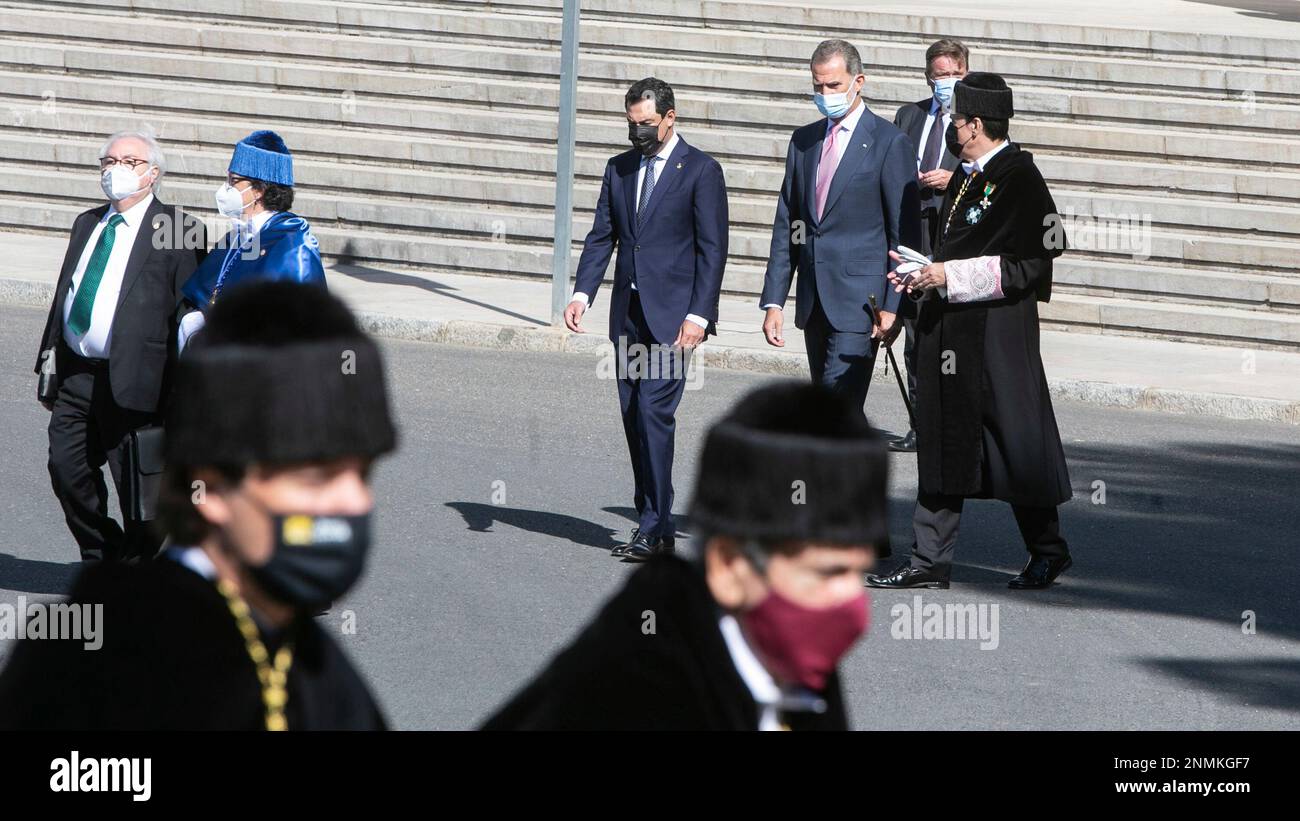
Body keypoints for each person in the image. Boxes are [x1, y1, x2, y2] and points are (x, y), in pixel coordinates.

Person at [0, 282, 396, 729]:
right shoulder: (93, 664)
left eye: (362, 474)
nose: (354, 501)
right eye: (316, 478)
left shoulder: (322, 669)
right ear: (213, 486)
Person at [481, 382, 887, 731]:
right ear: (729, 566)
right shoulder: (631, 692)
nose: (853, 603)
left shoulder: (792, 658)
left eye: (859, 572)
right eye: (828, 572)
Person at [868, 73, 1074, 591]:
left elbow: (1035, 261)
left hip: (998, 338)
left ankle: (1048, 551)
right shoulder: (964, 175)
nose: (951, 128)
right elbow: (950, 251)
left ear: (976, 124)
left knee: (1015, 445)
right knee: (943, 440)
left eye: (957, 120)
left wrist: (950, 276)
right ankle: (928, 560)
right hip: (949, 333)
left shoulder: (1019, 176)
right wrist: (921, 275)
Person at [563, 77, 729, 562]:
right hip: (630, 315)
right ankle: (654, 520)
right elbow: (603, 236)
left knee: (654, 413)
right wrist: (582, 294)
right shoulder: (619, 169)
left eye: (647, 124)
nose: (638, 132)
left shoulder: (700, 170)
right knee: (633, 415)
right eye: (631, 123)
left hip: (675, 318)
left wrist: (699, 315)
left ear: (670, 118)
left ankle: (653, 526)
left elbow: (712, 249)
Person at [35, 130, 206, 562]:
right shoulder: (88, 223)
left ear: (153, 173)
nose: (116, 170)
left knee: (140, 487)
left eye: (129, 162)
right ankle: (103, 555)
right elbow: (66, 294)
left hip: (138, 377)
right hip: (78, 373)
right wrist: (48, 361)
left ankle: (136, 569)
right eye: (109, 161)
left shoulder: (179, 229)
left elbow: (188, 313)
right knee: (66, 469)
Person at [760, 39, 920, 415]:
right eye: (818, 86)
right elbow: (790, 224)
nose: (825, 94)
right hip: (814, 300)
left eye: (833, 85)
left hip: (860, 303)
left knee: (833, 410)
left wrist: (894, 306)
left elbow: (903, 233)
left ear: (858, 81)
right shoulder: (803, 141)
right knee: (830, 412)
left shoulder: (889, 142)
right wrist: (774, 301)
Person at [891, 38, 969, 453]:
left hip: (954, 238)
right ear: (928, 77)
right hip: (914, 234)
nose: (948, 82)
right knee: (915, 334)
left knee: (952, 338)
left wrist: (952, 179)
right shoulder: (909, 115)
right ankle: (920, 425)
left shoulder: (976, 122)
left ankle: (954, 424)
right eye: (941, 75)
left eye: (956, 74)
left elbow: (991, 174)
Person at [178, 129, 325, 350]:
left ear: (259, 190)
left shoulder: (293, 244)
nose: (226, 188)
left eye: (234, 181)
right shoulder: (236, 236)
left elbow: (296, 320)